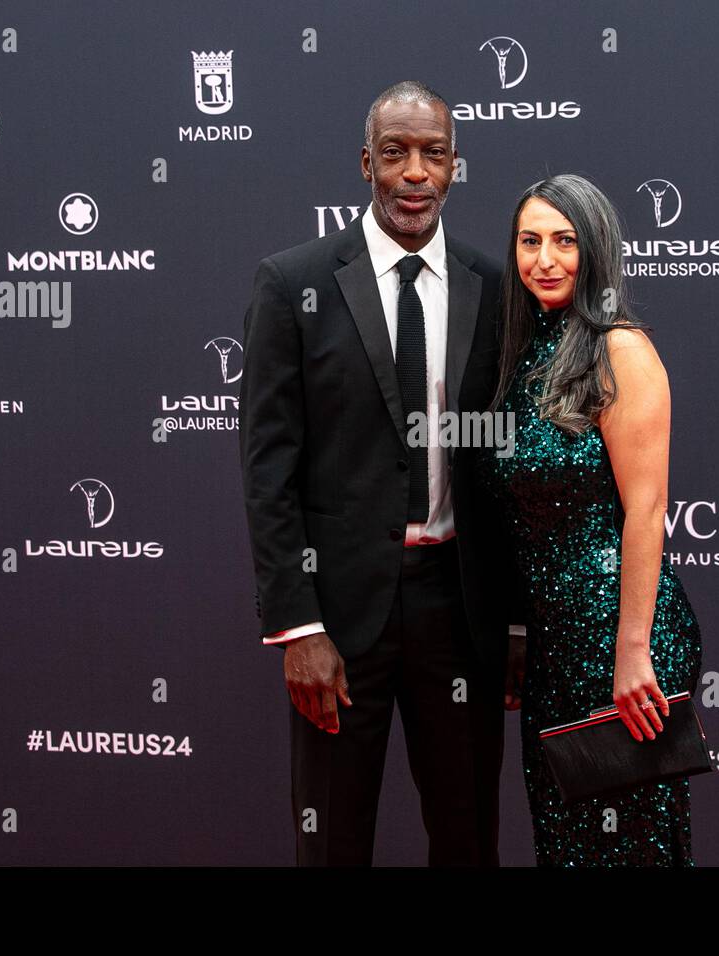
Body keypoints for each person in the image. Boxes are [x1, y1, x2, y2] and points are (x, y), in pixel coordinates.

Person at [239, 80, 520, 865]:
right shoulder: (292, 283)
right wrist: (298, 628)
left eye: (433, 153)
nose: (414, 172)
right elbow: (269, 469)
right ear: (367, 163)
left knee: (469, 844)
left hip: (459, 615)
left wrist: (520, 617)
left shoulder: (495, 289)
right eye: (395, 153)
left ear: (456, 168)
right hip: (336, 614)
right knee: (330, 844)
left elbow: (511, 465)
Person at [476, 173, 703, 866]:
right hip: (553, 645)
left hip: (621, 636)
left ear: (596, 250)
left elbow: (647, 511)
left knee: (632, 846)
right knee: (568, 844)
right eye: (529, 241)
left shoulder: (621, 351)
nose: (544, 259)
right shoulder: (526, 358)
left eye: (564, 241)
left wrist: (633, 649)